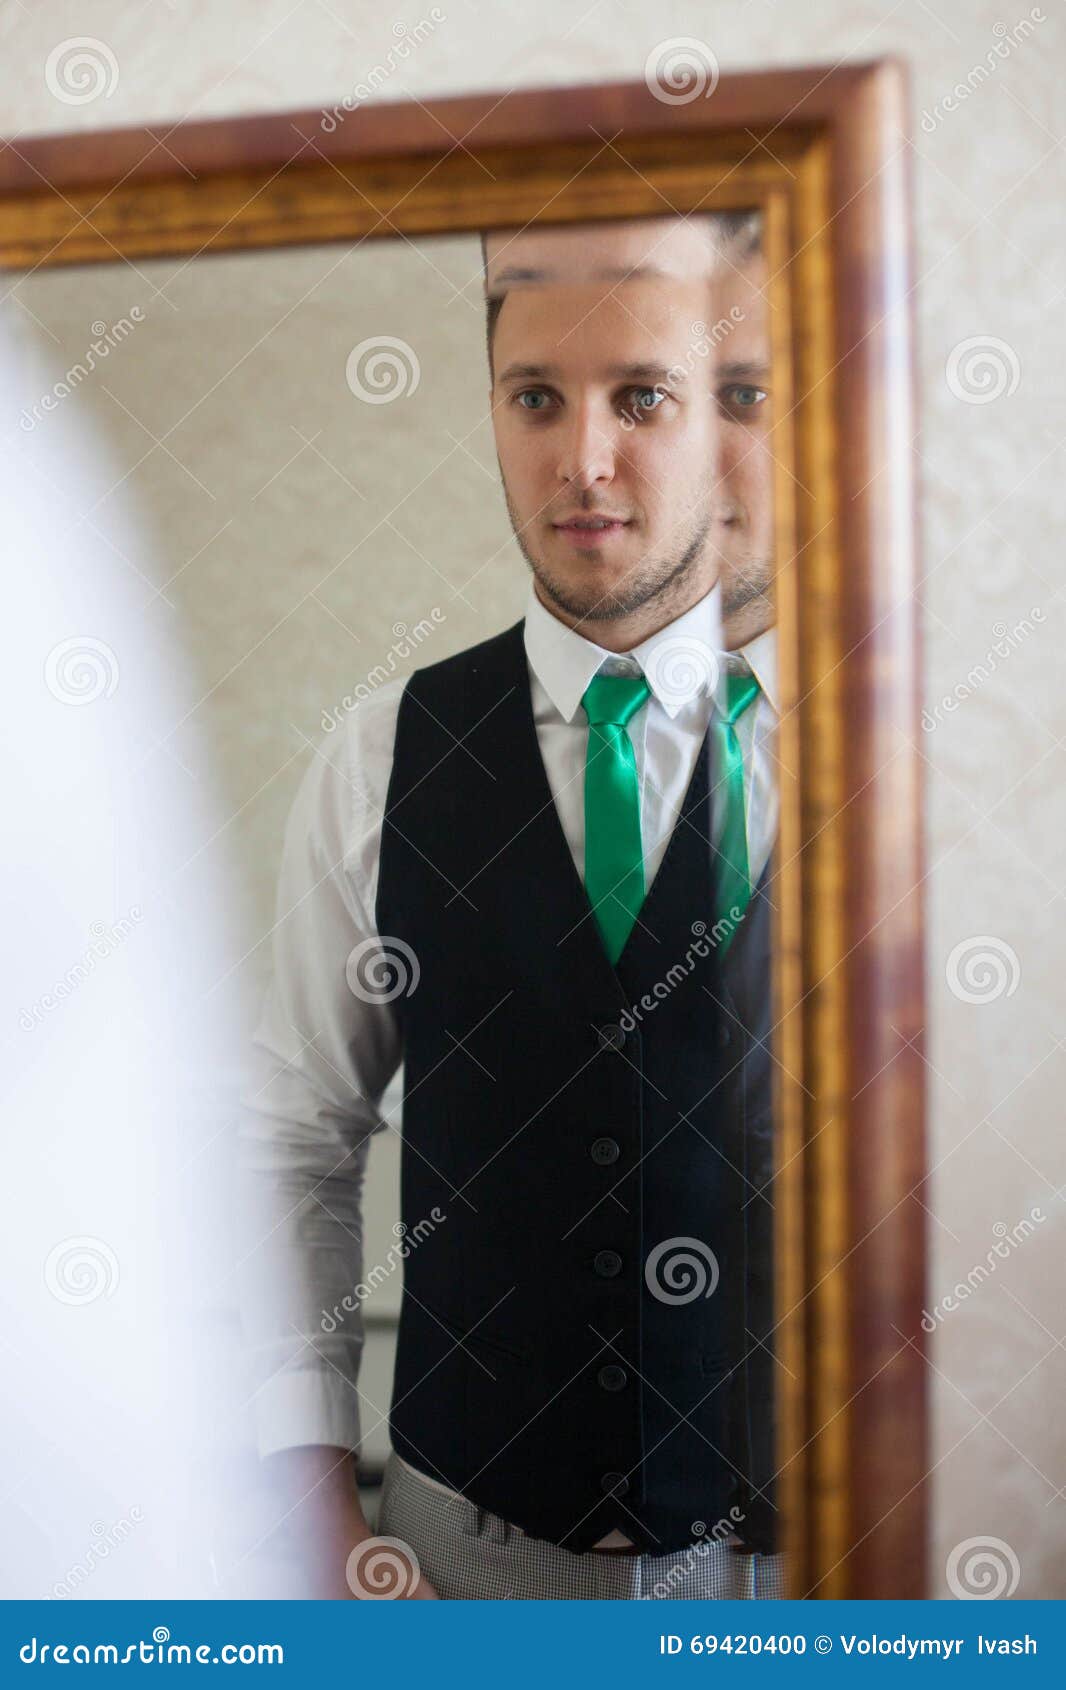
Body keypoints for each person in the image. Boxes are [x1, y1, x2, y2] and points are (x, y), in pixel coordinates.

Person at [237, 215, 783, 1600]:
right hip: (448, 1557)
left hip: (806, 1565)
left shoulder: (899, 764)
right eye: (535, 395)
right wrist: (307, 1493)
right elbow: (288, 1142)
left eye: (641, 397)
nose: (581, 460)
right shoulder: (379, 755)